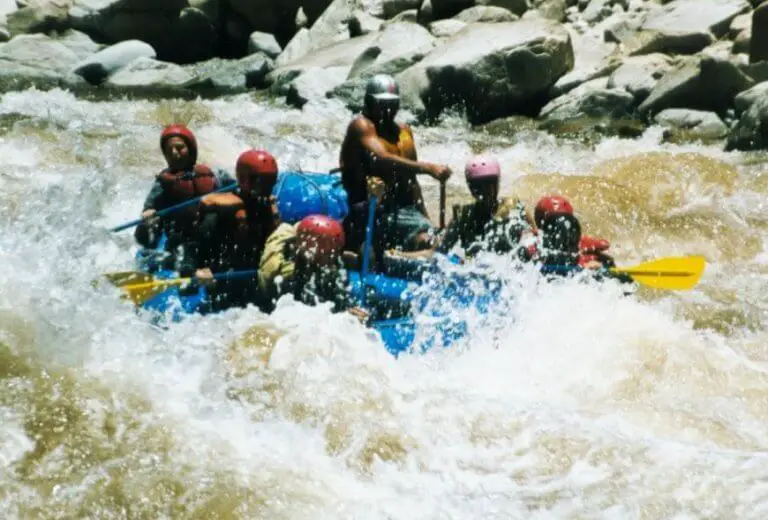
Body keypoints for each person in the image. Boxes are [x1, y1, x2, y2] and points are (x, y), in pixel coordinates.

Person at [338, 74, 452, 259]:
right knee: (424, 240)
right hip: (367, 209)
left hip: (403, 212)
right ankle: (377, 254)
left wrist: (425, 218)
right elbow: (381, 157)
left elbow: (411, 182)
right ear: (369, 102)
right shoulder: (360, 126)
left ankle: (408, 252)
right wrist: (428, 168)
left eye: (392, 103)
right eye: (382, 104)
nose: (388, 109)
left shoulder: (404, 132)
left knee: (430, 236)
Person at [384, 155, 536, 266]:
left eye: (489, 183)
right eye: (478, 185)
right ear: (471, 188)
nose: (485, 190)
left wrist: (529, 245)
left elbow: (534, 239)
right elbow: (437, 253)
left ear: (497, 182)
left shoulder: (515, 208)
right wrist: (399, 255)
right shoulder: (463, 216)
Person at [185, 149, 281, 311]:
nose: (266, 187)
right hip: (223, 278)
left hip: (254, 276)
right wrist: (196, 270)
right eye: (261, 181)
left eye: (270, 181)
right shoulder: (222, 211)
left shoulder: (267, 208)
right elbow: (194, 244)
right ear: (244, 179)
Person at [134, 124, 236, 270]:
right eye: (169, 150)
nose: (174, 153)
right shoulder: (164, 183)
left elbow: (238, 190)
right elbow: (150, 208)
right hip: (181, 237)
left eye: (180, 148)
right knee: (149, 232)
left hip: (210, 233)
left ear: (191, 149)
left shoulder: (213, 174)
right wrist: (149, 215)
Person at [258, 214, 369, 322]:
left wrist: (351, 314)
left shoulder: (331, 275)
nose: (333, 257)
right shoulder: (290, 283)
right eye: (329, 253)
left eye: (335, 252)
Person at [530, 195, 616, 269]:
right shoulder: (535, 241)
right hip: (572, 270)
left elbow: (604, 244)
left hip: (576, 270)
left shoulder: (581, 243)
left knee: (605, 259)